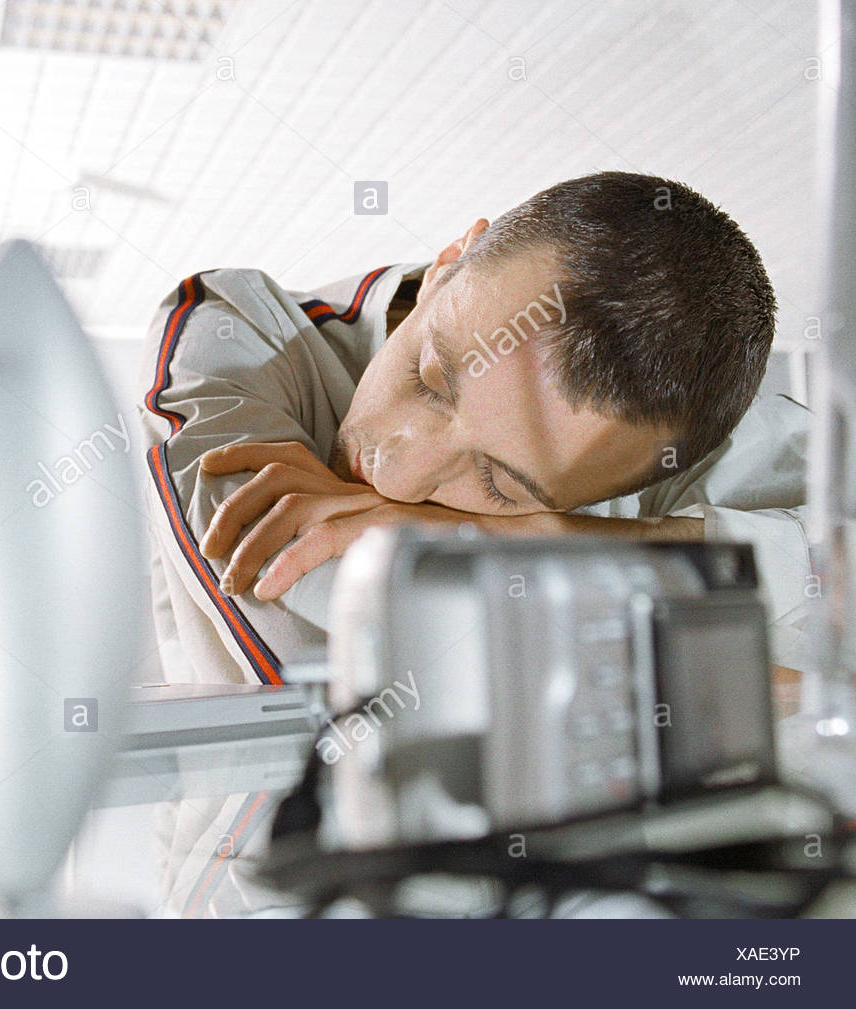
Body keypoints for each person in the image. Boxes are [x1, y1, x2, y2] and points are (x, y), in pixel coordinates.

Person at [136, 171, 811, 916]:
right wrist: (559, 556)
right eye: (431, 377)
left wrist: (533, 538)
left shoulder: (679, 428)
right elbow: (315, 618)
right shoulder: (233, 327)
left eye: (500, 483)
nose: (395, 468)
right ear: (452, 262)